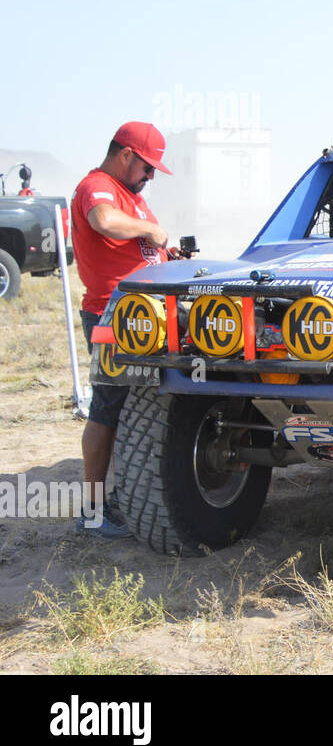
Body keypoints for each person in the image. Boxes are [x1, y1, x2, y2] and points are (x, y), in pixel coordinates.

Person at [70, 121, 172, 537]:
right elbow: (103, 221)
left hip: (144, 317)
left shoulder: (131, 195)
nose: (150, 176)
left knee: (134, 410)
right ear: (125, 155)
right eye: (147, 167)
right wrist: (152, 230)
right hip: (116, 317)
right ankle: (94, 511)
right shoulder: (98, 186)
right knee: (108, 410)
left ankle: (128, 496)